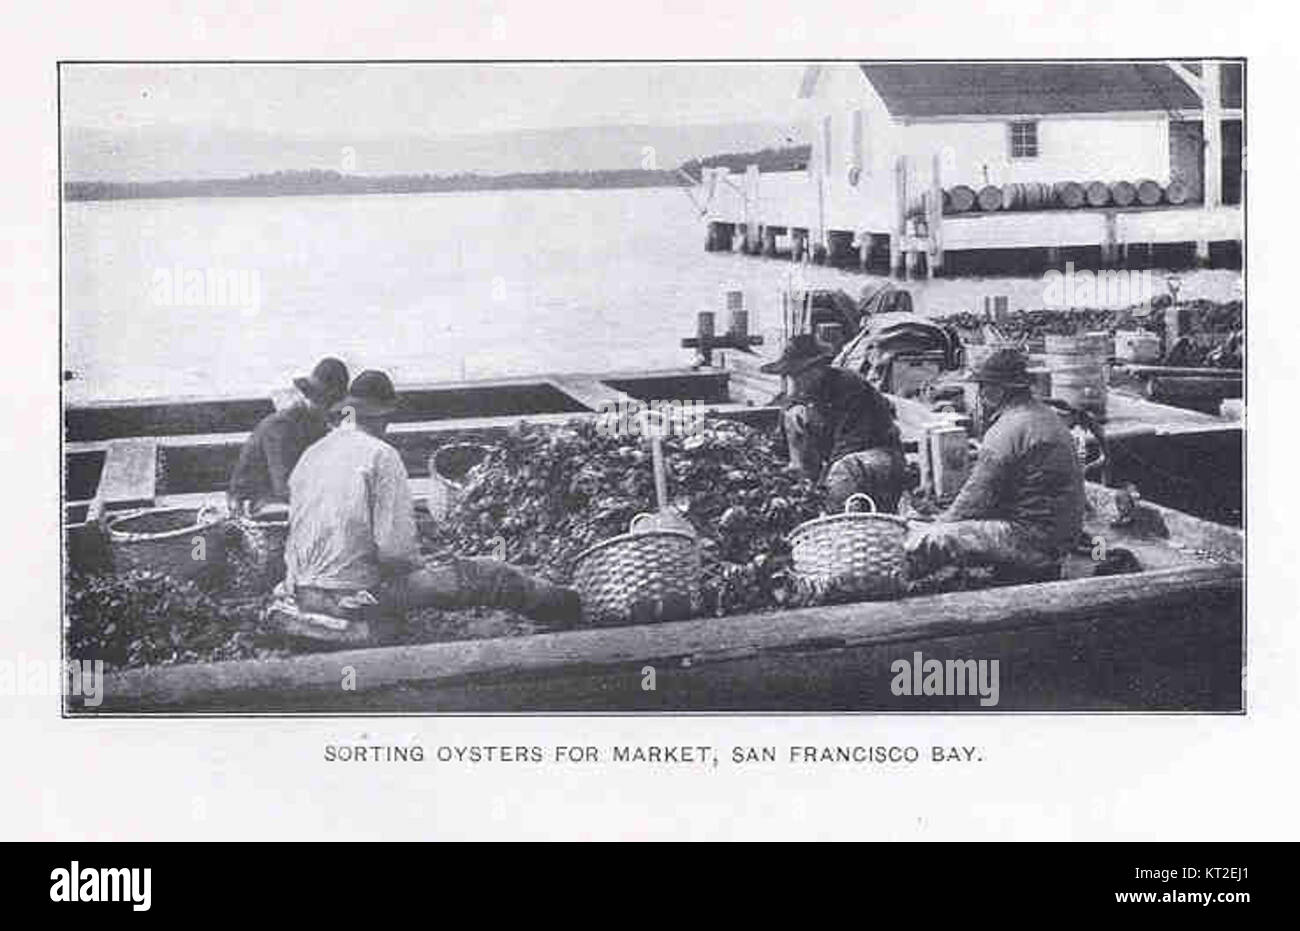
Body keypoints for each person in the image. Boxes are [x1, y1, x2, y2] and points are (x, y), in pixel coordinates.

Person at [274, 370, 580, 641]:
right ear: (384, 416)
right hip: (352, 598)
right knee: (488, 574)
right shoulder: (381, 455)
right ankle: (567, 604)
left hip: (300, 591)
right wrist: (427, 568)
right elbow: (395, 553)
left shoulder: (312, 454)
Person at [906, 347, 1086, 582]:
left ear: (999, 391)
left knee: (930, 539)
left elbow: (975, 500)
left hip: (1034, 541)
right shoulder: (1045, 415)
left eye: (984, 387)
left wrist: (936, 523)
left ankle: (898, 591)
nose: (980, 394)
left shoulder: (1009, 428)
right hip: (1061, 534)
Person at [761, 334, 906, 513]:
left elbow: (849, 444)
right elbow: (779, 448)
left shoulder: (849, 386)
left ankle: (833, 520)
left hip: (875, 455)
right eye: (791, 377)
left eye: (800, 375)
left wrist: (819, 490)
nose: (795, 382)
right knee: (793, 421)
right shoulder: (797, 397)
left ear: (819, 368)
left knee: (843, 472)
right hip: (834, 461)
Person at [228, 357, 349, 516]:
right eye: (326, 403)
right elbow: (284, 487)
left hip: (285, 498)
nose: (330, 411)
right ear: (310, 398)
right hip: (256, 501)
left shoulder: (317, 424)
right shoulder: (281, 427)